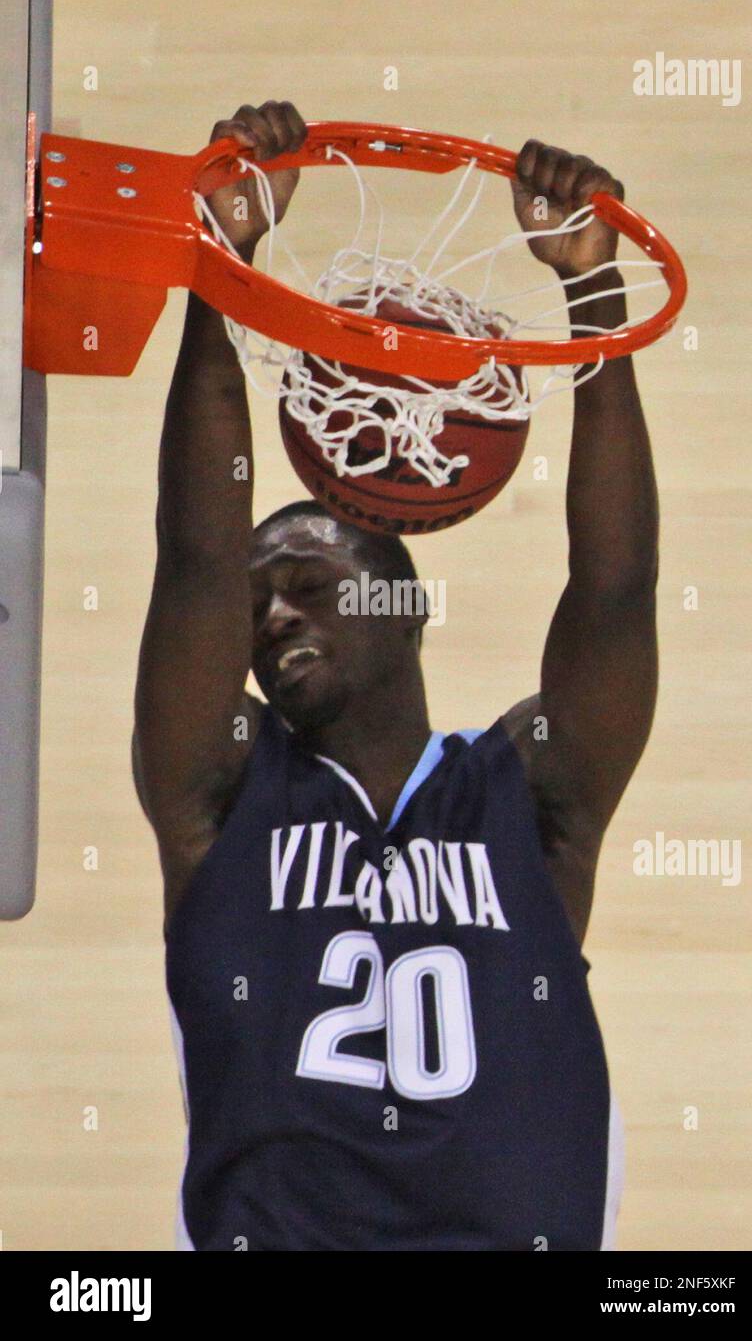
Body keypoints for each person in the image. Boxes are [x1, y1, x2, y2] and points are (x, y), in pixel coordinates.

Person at [132, 101, 656, 1251]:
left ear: (402, 604)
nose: (271, 611)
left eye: (309, 582)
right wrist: (221, 262)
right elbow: (196, 557)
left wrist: (588, 299)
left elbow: (612, 593)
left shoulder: (528, 796)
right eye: (260, 597)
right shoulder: (218, 795)